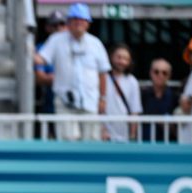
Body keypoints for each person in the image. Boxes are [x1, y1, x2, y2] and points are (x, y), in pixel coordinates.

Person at [35, 2, 108, 142]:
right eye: (74, 20)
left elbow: (103, 73)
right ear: (69, 22)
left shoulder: (96, 43)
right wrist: (28, 52)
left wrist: (103, 99)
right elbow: (41, 59)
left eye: (82, 20)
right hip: (64, 100)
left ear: (88, 23)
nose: (78, 23)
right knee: (67, 139)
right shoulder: (56, 40)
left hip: (90, 99)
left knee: (92, 140)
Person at [103, 43, 140, 142]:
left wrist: (132, 135)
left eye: (126, 59)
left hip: (124, 134)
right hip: (104, 134)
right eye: (119, 57)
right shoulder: (102, 78)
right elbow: (97, 107)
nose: (122, 61)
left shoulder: (132, 81)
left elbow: (134, 111)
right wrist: (101, 129)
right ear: (111, 57)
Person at [137, 58, 176, 143]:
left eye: (164, 73)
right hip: (144, 145)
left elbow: (178, 129)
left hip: (168, 146)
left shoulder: (175, 97)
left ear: (169, 75)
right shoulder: (141, 95)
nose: (160, 75)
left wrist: (168, 125)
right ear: (150, 73)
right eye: (156, 72)